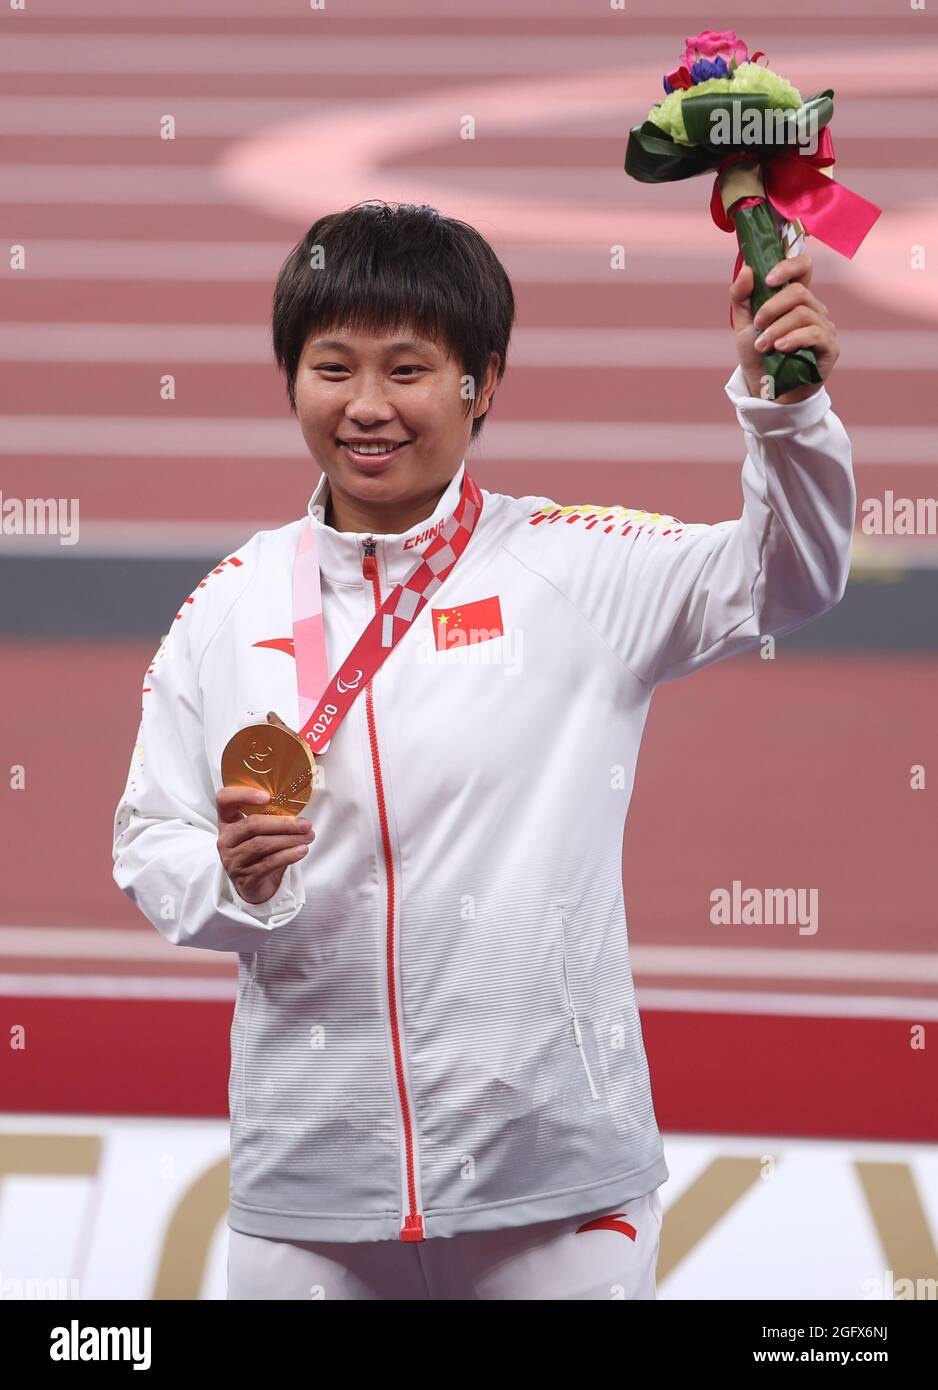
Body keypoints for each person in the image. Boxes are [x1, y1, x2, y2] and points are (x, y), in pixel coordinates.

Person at [112, 200, 854, 1300]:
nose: (367, 407)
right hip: (310, 1197)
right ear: (291, 378)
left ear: (482, 382)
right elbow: (148, 840)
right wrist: (231, 879)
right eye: (332, 367)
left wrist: (782, 405)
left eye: (408, 370)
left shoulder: (572, 569)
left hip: (553, 1192)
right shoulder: (225, 610)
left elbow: (786, 574)